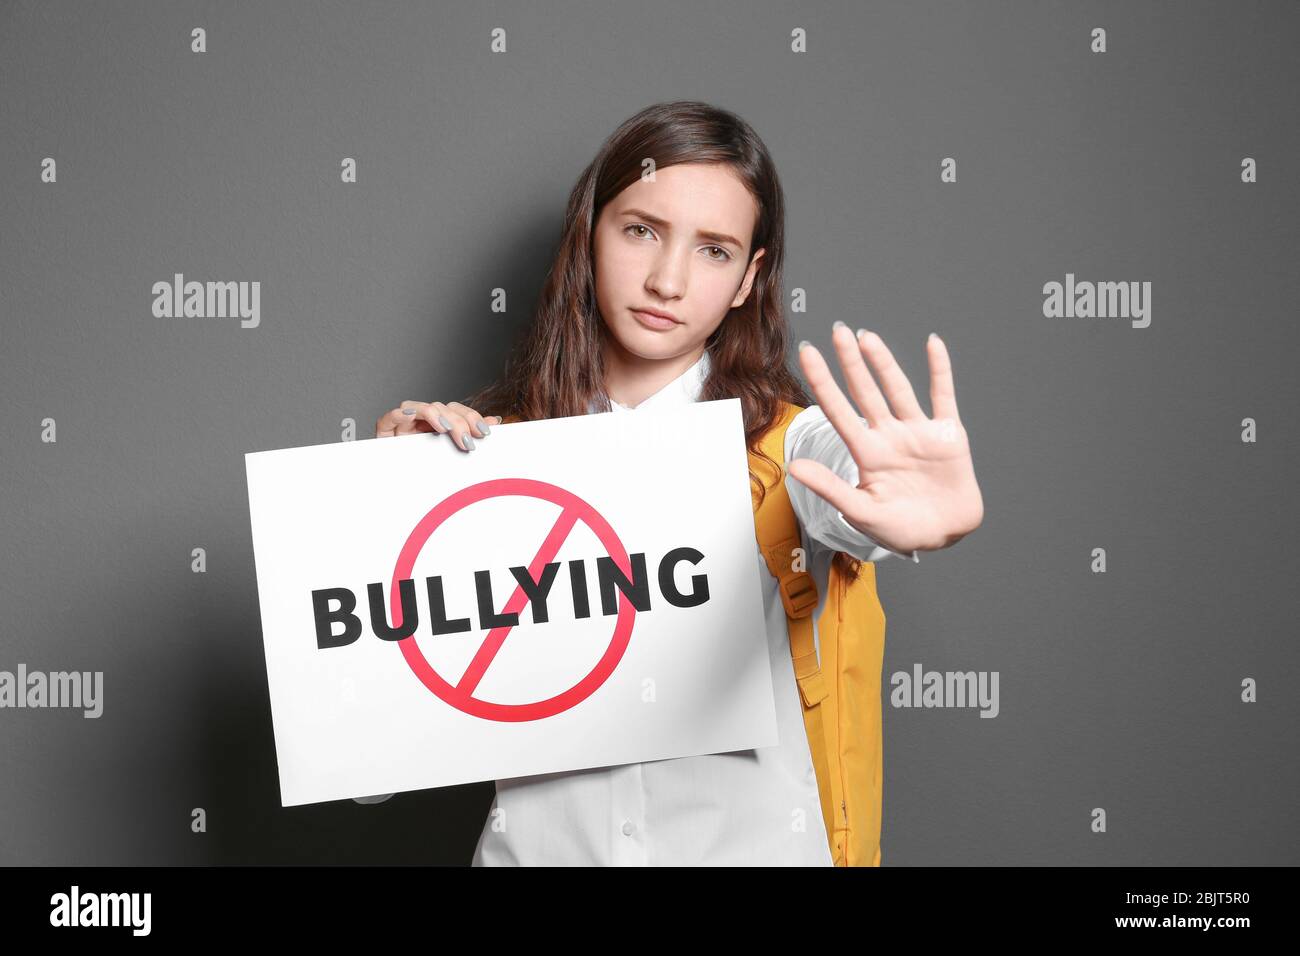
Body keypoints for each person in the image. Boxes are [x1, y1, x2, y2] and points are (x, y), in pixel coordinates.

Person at [368, 100, 984, 865]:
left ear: (748, 280)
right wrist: (387, 518)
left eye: (714, 251)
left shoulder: (791, 450)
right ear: (587, 237)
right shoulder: (488, 466)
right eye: (640, 231)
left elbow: (852, 491)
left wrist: (909, 505)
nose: (667, 279)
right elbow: (370, 769)